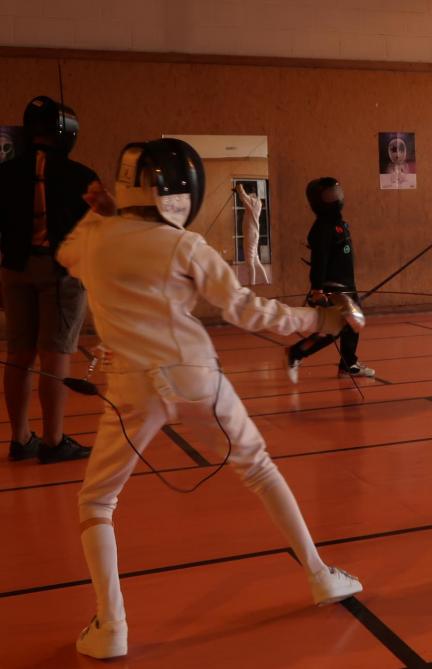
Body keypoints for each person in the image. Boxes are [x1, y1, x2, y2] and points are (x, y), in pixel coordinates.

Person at [57, 139, 363, 659]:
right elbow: (245, 310)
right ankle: (319, 576)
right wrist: (321, 319)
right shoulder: (184, 245)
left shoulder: (95, 240)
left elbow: (67, 256)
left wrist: (99, 215)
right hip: (197, 378)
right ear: (182, 191)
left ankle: (112, 627)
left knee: (96, 502)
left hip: (130, 387)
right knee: (259, 469)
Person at [0, 96, 104, 464]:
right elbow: (108, 220)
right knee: (55, 356)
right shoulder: (81, 176)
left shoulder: (5, 172)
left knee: (18, 355)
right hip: (60, 274)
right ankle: (53, 440)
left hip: (12, 270)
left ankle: (19, 437)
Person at [284, 177, 374, 383]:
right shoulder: (323, 228)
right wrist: (318, 289)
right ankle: (296, 353)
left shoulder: (337, 223)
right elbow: (319, 260)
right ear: (318, 201)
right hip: (334, 288)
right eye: (329, 195)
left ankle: (347, 364)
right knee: (339, 327)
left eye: (336, 193)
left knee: (349, 325)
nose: (335, 198)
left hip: (347, 285)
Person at [234, 182, 270, 285]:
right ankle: (266, 282)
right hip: (254, 234)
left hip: (250, 234)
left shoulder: (252, 201)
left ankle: (252, 285)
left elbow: (242, 193)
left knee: (250, 262)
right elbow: (243, 196)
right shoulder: (258, 202)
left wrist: (238, 187)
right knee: (256, 261)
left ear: (250, 193)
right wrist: (238, 192)